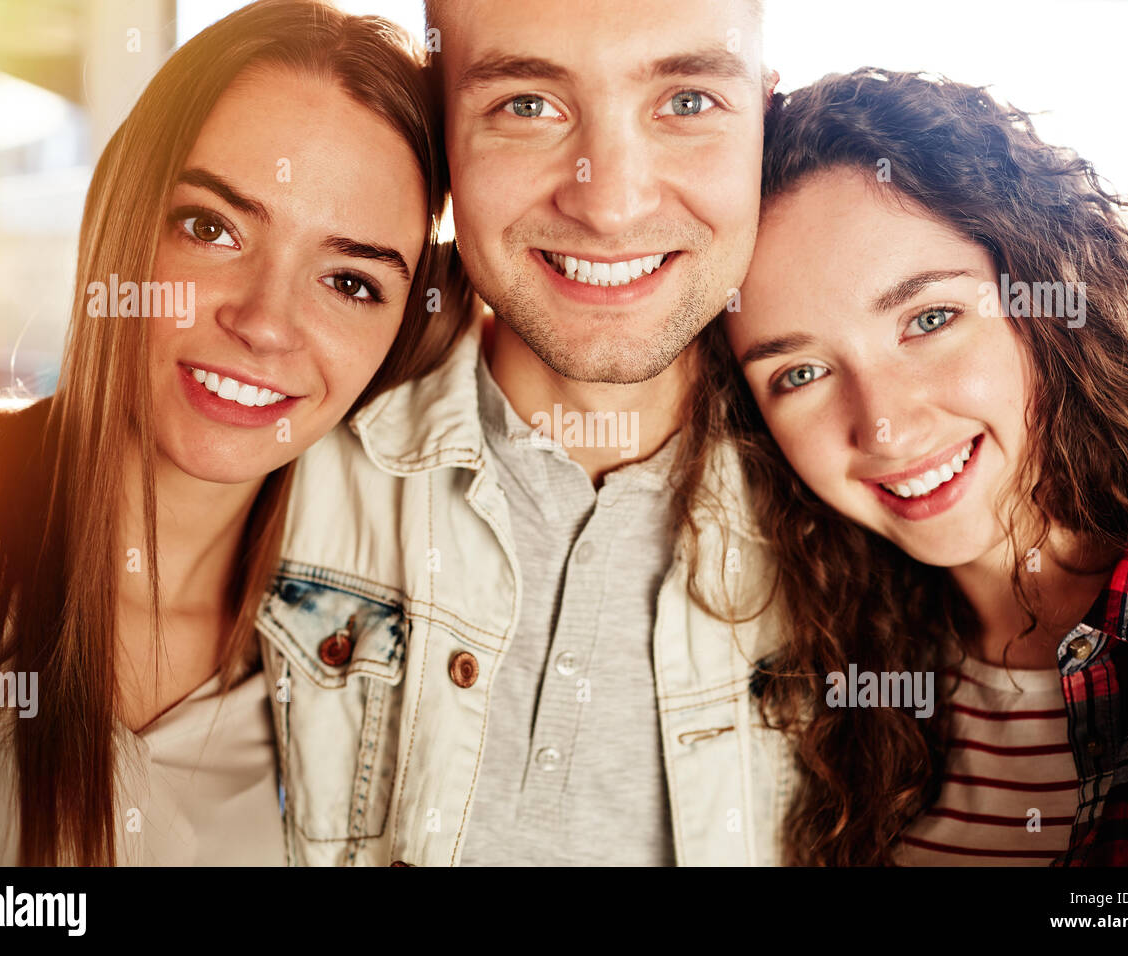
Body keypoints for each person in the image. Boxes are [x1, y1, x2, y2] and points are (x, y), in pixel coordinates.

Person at [258, 0, 793, 865]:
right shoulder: (278, 455)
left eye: (687, 101)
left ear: (765, 117)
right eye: (527, 105)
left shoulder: (867, 501)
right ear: (442, 136)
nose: (611, 205)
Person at [0, 0, 468, 865]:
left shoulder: (369, 668)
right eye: (212, 228)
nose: (265, 323)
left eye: (350, 282)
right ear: (122, 218)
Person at [706, 67, 1128, 865]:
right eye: (800, 373)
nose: (881, 425)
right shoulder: (833, 679)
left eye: (930, 318)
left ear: (1045, 292)